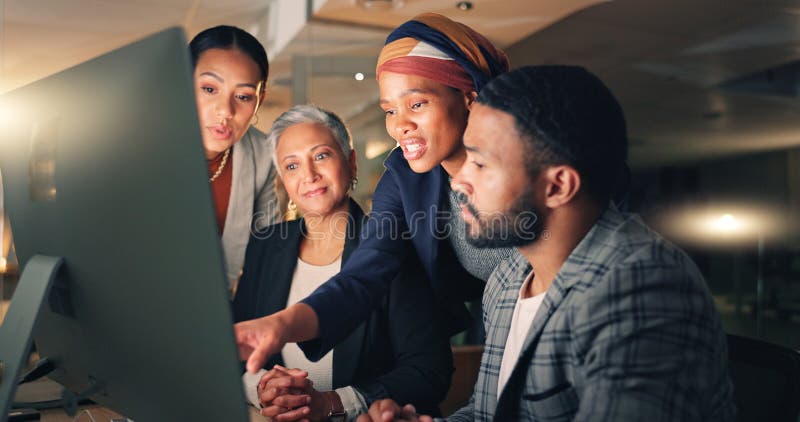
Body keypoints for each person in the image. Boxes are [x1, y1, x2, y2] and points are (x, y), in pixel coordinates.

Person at [358, 66, 736, 422]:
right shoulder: (509, 278)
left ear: (557, 186)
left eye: (481, 164)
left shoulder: (642, 287)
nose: (458, 183)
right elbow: (488, 412)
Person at [235, 13, 515, 373]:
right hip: (505, 328)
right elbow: (365, 273)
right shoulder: (403, 178)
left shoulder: (526, 159)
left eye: (417, 104)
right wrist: (284, 324)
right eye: (390, 110)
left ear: (468, 98)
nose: (399, 125)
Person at [232, 105, 453, 421]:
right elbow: (238, 349)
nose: (308, 175)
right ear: (283, 180)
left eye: (321, 156)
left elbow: (429, 370)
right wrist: (263, 389)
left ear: (350, 162)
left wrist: (333, 403)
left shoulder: (393, 244)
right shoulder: (265, 245)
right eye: (291, 166)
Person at [190, 25, 279, 291]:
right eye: (209, 89)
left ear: (259, 102)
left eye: (243, 96)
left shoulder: (263, 154)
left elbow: (269, 250)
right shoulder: (142, 148)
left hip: (225, 313)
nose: (226, 111)